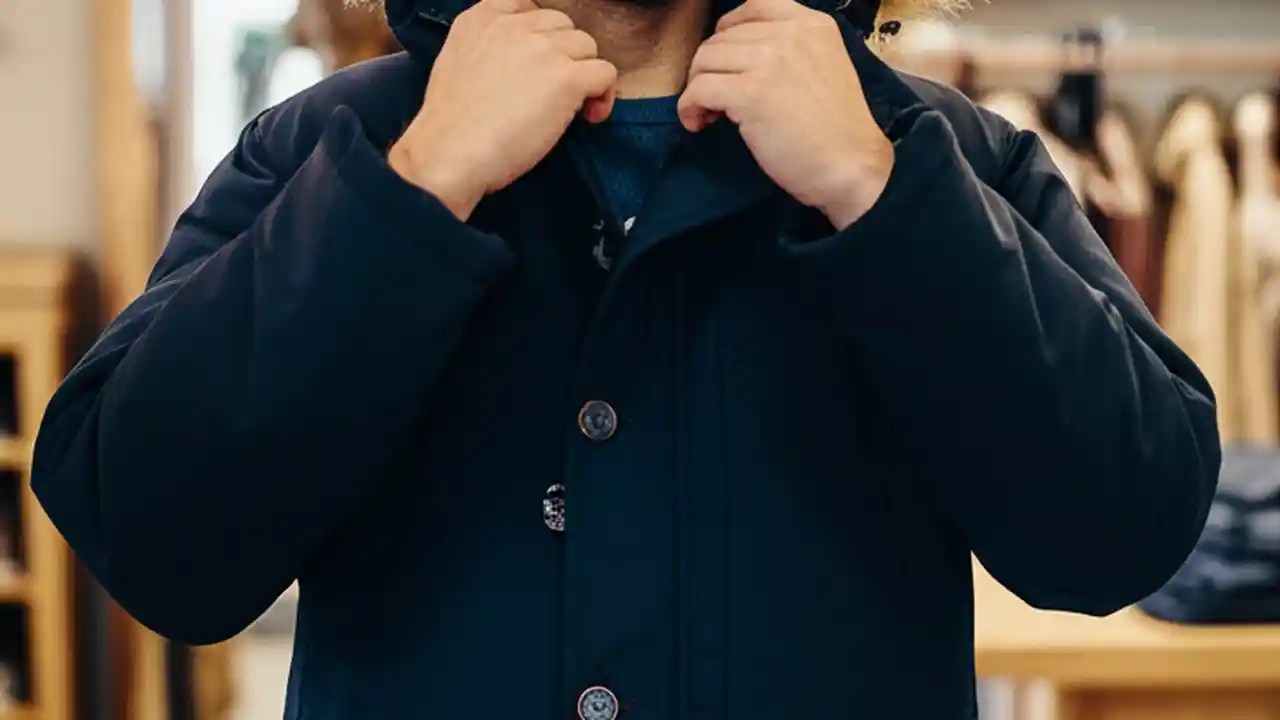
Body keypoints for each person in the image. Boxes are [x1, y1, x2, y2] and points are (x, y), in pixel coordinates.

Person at [32, 0, 1220, 717]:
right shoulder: (332, 145)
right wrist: (415, 185)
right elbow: (149, 534)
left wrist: (871, 190)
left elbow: (1121, 525)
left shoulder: (938, 157)